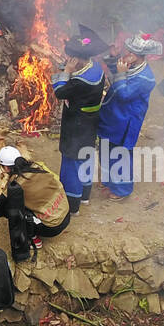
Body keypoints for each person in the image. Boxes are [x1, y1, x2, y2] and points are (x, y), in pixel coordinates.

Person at [95, 33, 164, 196]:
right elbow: (116, 73)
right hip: (112, 116)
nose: (126, 55)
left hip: (125, 121)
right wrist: (113, 58)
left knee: (120, 154)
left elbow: (124, 94)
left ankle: (122, 189)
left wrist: (120, 74)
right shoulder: (130, 66)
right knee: (105, 149)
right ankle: (108, 181)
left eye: (129, 53)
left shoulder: (146, 78)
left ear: (136, 56)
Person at [51, 26, 109, 210]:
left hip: (76, 126)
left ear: (77, 60)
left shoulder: (80, 81)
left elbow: (60, 92)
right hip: (90, 122)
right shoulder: (95, 67)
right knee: (86, 157)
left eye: (70, 58)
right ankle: (84, 196)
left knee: (72, 162)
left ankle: (72, 204)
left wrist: (66, 71)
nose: (67, 59)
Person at [0, 147, 71, 260]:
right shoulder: (36, 167)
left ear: (6, 168)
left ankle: (33, 239)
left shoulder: (16, 185)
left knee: (12, 209)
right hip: (66, 214)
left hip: (53, 227)